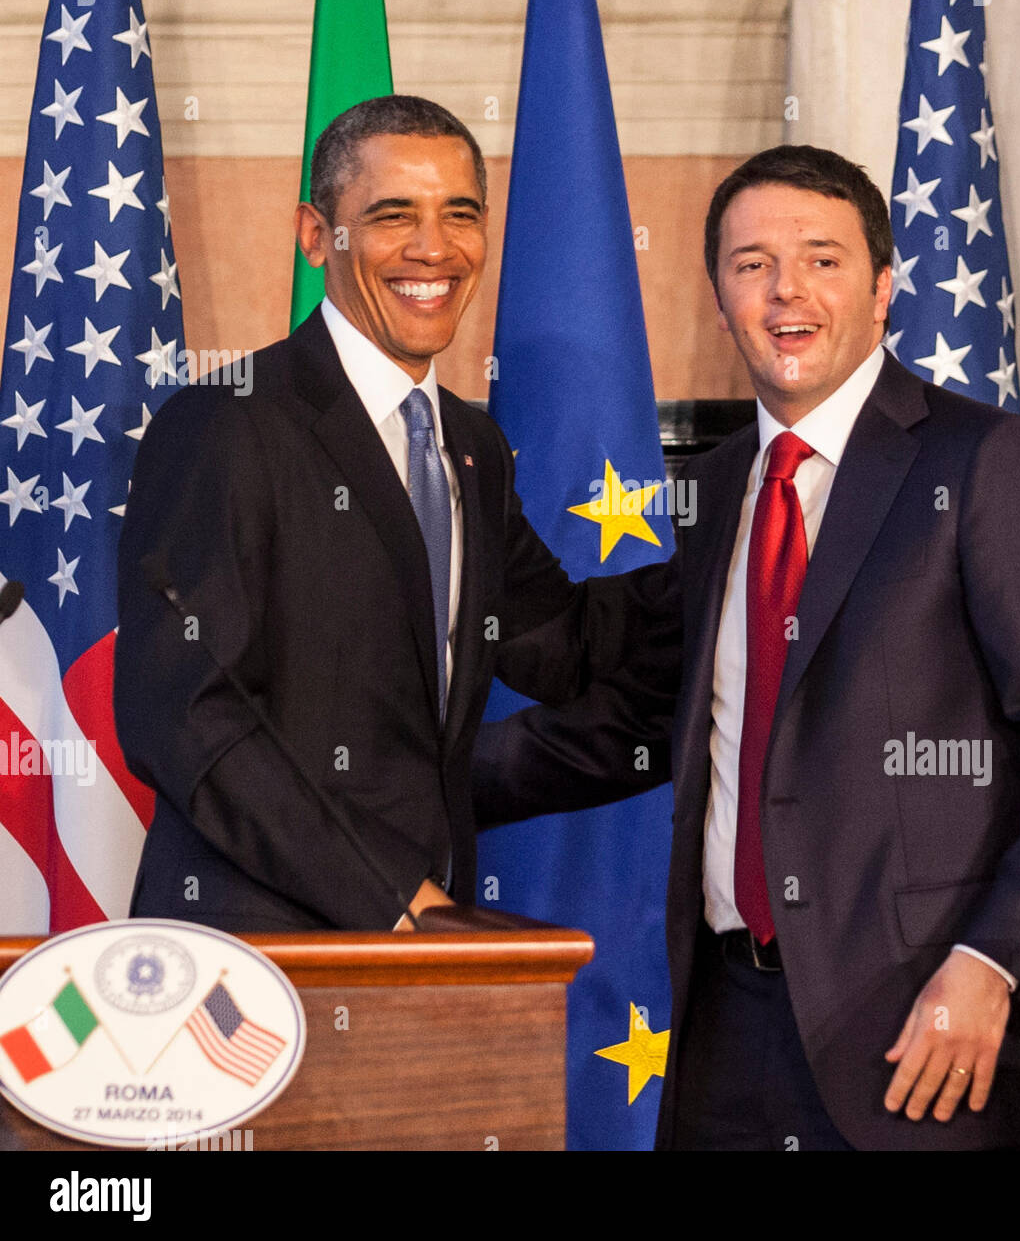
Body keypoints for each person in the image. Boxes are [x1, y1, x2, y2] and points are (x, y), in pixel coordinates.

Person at [473, 144, 1020, 1149]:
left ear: (882, 290)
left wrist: (993, 962)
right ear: (719, 298)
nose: (786, 290)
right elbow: (649, 724)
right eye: (752, 264)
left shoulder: (984, 464)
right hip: (723, 1033)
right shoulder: (712, 487)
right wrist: (392, 780)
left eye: (822, 260)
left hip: (922, 1031)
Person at [115, 94, 657, 933]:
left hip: (416, 958)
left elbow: (565, 645)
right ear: (313, 233)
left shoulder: (471, 447)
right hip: (257, 956)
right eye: (391, 215)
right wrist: (397, 901)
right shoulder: (229, 421)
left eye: (460, 215)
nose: (433, 248)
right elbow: (184, 714)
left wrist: (755, 546)